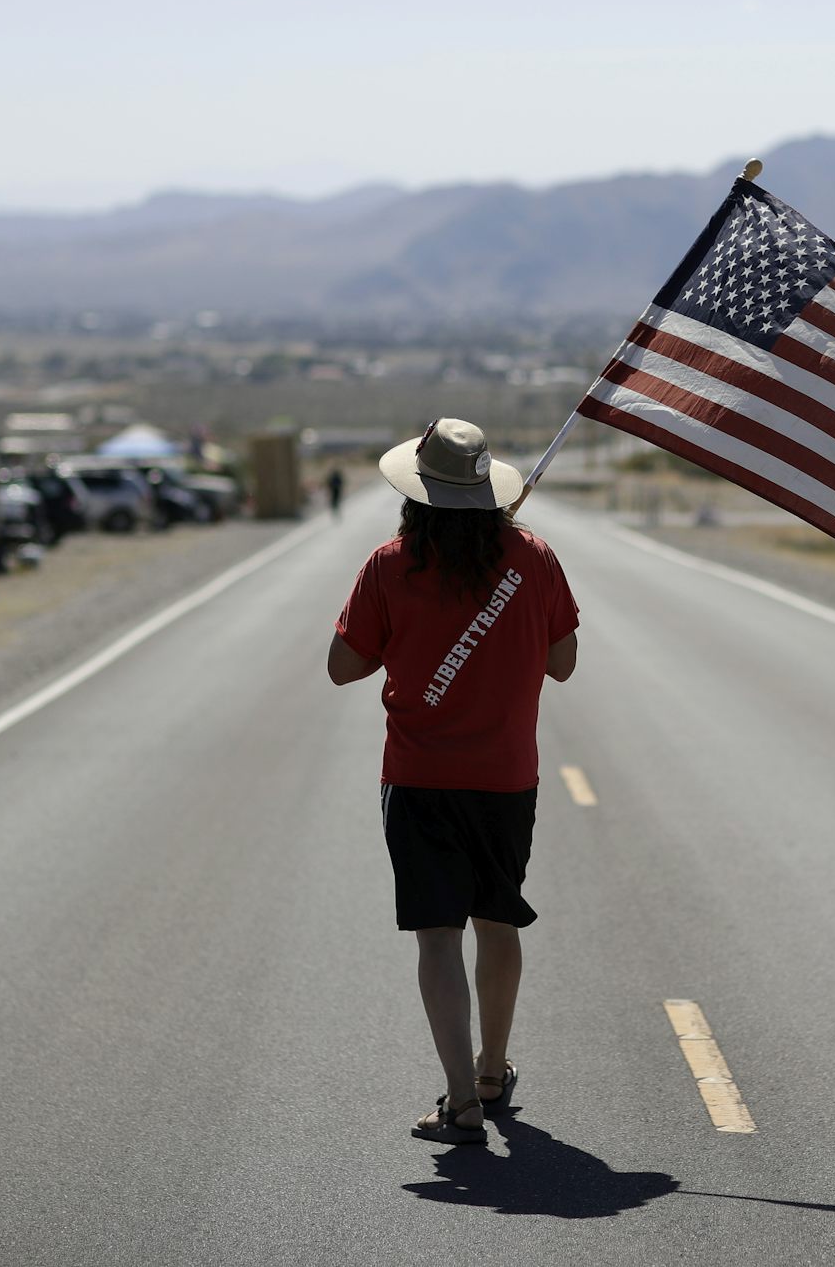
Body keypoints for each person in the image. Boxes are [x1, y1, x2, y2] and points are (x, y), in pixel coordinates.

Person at [329, 418, 579, 1146]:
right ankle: (494, 1069)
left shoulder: (389, 564)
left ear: (415, 493)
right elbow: (562, 663)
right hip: (506, 777)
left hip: (419, 778)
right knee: (497, 923)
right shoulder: (532, 558)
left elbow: (343, 666)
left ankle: (462, 1102)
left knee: (438, 937)